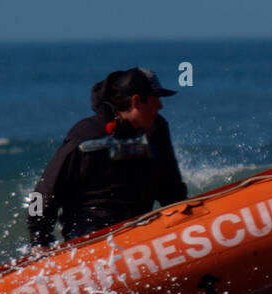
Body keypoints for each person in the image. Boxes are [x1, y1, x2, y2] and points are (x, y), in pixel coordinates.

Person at [28, 67, 187, 249]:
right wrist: (39, 240)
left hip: (139, 230)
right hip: (90, 236)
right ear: (136, 101)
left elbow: (171, 188)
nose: (160, 106)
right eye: (155, 99)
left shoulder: (157, 129)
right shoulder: (86, 136)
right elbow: (43, 193)